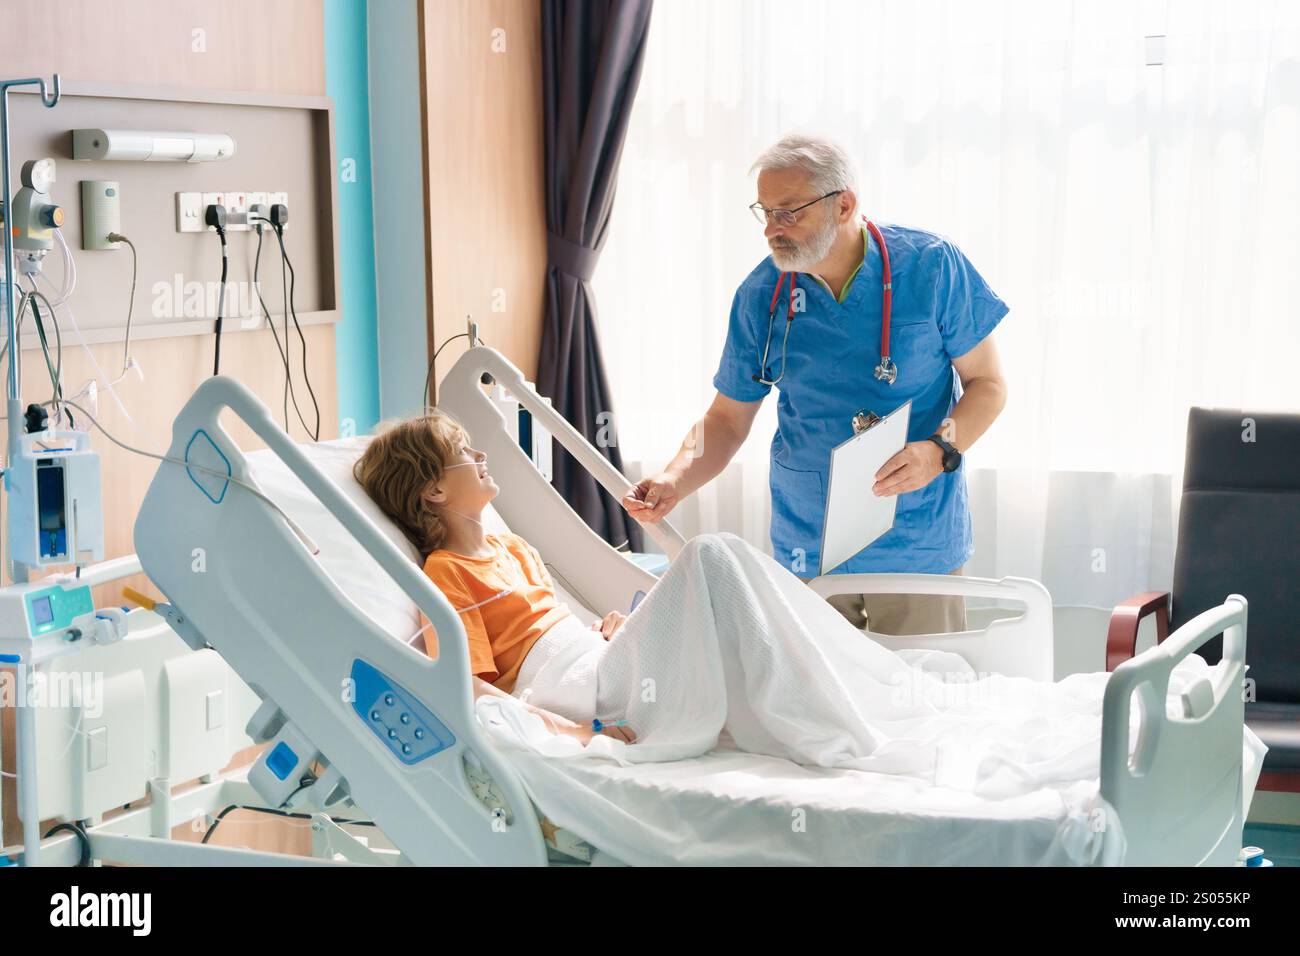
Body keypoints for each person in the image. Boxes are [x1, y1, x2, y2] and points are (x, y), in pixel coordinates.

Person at [351, 412, 1197, 794]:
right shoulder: (446, 578)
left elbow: (554, 623)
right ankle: (855, 722)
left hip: (601, 657)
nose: (481, 453)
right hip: (586, 695)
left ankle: (873, 699)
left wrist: (611, 624)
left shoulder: (508, 546)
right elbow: (474, 686)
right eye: (464, 451)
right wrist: (579, 733)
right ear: (431, 494)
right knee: (716, 557)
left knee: (728, 583)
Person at [623, 134, 1009, 637]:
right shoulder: (762, 295)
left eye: (789, 212)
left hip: (916, 539)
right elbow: (725, 421)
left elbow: (988, 384)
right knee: (815, 705)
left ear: (843, 204)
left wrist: (939, 449)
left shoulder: (932, 267)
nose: (771, 230)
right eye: (764, 213)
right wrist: (675, 478)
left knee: (920, 699)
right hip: (810, 542)